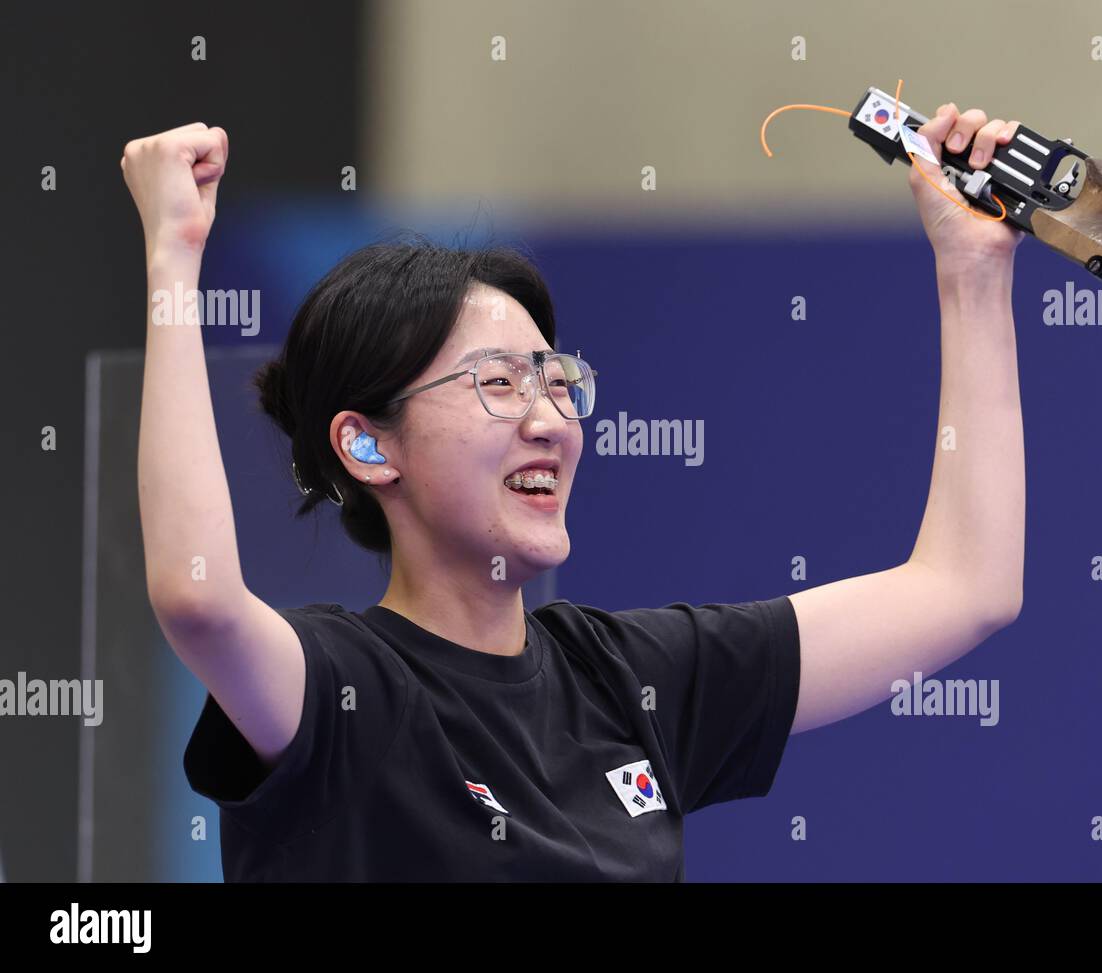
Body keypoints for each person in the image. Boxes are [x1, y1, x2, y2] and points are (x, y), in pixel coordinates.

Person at [120, 102, 1025, 882]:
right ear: (366, 444)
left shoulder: (631, 678)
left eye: (557, 381)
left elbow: (966, 588)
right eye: (499, 384)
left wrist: (972, 273)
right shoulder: (341, 688)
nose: (551, 418)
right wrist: (173, 261)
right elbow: (198, 594)